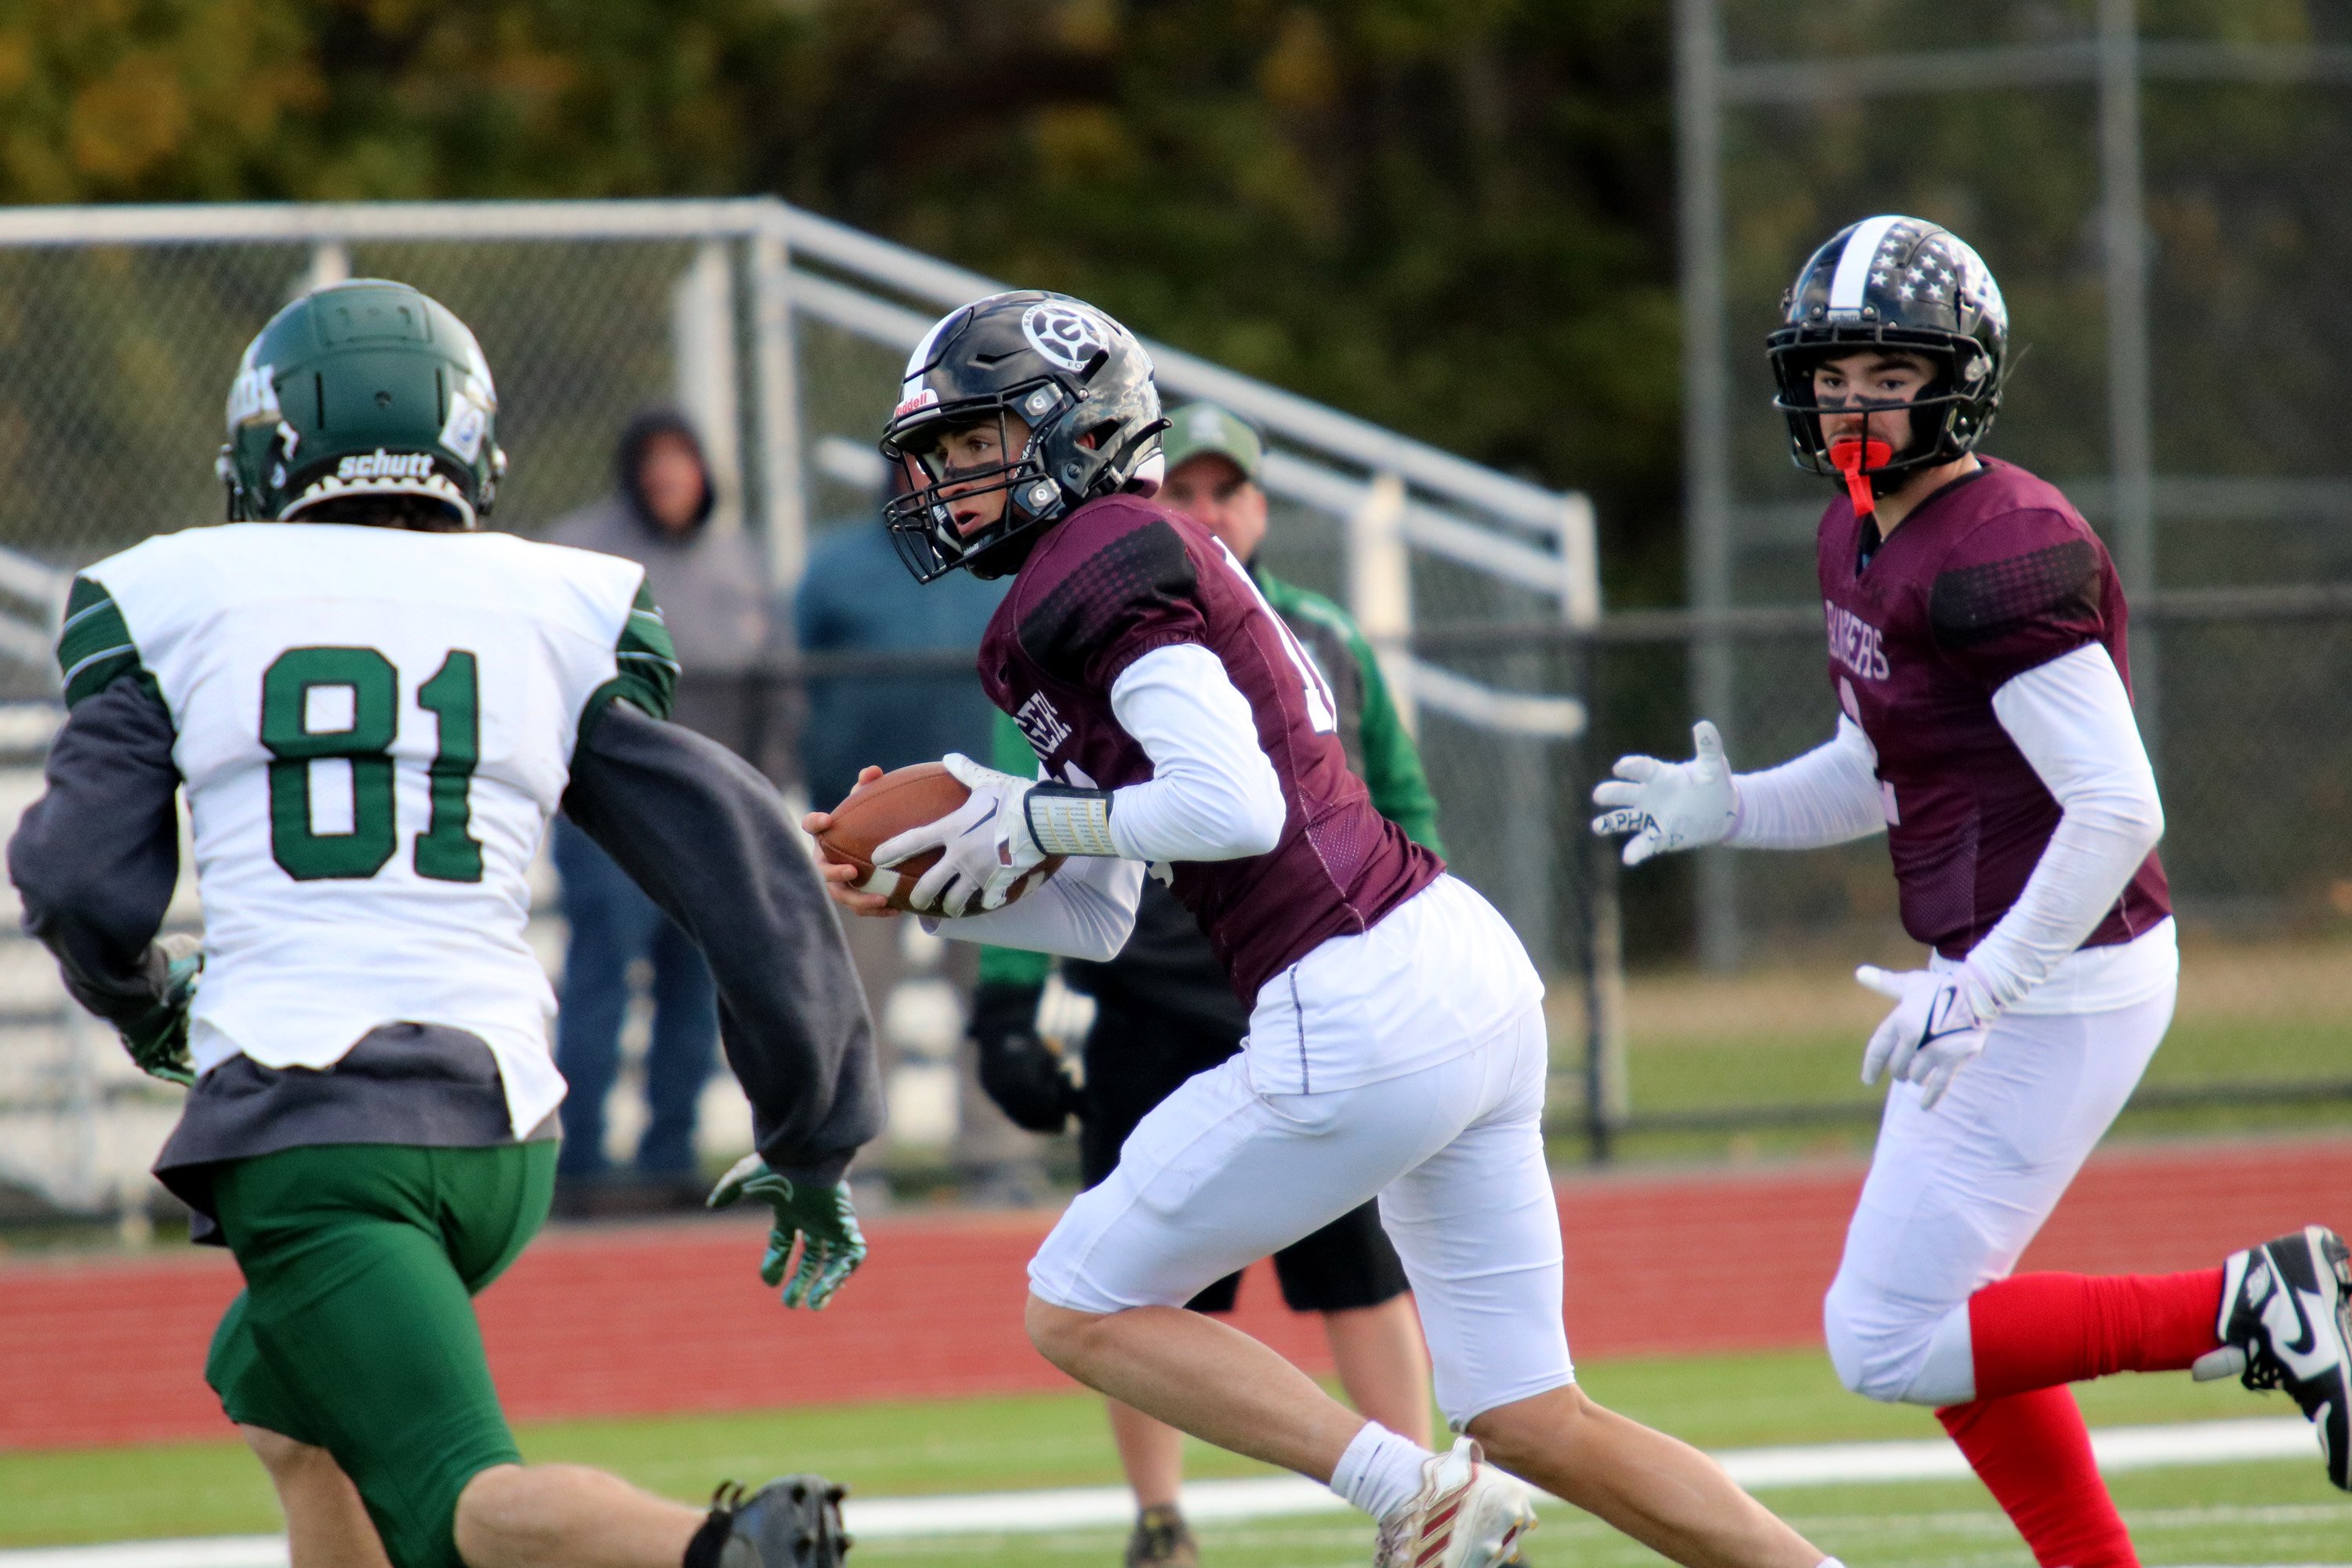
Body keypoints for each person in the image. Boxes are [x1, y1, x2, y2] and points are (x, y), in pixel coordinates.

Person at [811, 289, 1845, 1568]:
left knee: (1075, 1302)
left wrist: (1023, 815)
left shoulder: (1091, 568)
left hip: (1354, 992)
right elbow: (1106, 902)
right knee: (1530, 1414)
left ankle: (1412, 1494)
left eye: (976, 448)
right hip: (1455, 965)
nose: (950, 484)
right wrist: (954, 882)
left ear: (1071, 433)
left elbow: (1228, 806)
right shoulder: (1126, 556)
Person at [9, 279, 876, 1568]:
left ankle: (728, 1549)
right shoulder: (560, 602)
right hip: (499, 1133)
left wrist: (141, 1001)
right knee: (287, 1407)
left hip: (310, 1128)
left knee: (457, 1499)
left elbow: (81, 879)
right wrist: (814, 1132)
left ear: (264, 441)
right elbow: (745, 867)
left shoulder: (171, 591)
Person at [1590, 216, 2351, 1568]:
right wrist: (1742, 808)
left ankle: (2256, 1298)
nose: (1853, 402)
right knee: (1937, 1323)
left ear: (1961, 375)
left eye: (1888, 373)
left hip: (2062, 974)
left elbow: (2121, 811)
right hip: (2006, 970)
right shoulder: (1859, 534)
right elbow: (1880, 770)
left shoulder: (2006, 547)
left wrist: (1984, 985)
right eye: (1833, 374)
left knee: (1885, 1336)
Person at [969, 402, 1445, 1568]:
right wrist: (1004, 991)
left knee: (1342, 1272)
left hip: (1316, 977)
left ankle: (1419, 1497)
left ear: (1260, 507)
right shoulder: (1083, 616)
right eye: (1186, 486)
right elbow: (1050, 843)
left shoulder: (1313, 630)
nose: (1202, 509)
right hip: (1159, 986)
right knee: (1137, 1283)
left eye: (1226, 490)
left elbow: (1371, 804)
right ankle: (1169, 1518)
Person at [545, 410, 771, 1207]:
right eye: (656, 462)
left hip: (710, 820)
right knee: (602, 981)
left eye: (685, 461)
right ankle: (577, 1166)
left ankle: (670, 1157)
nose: (671, 478)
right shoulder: (580, 552)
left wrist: (767, 796)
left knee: (698, 987)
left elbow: (770, 689)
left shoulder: (740, 559)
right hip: (608, 818)